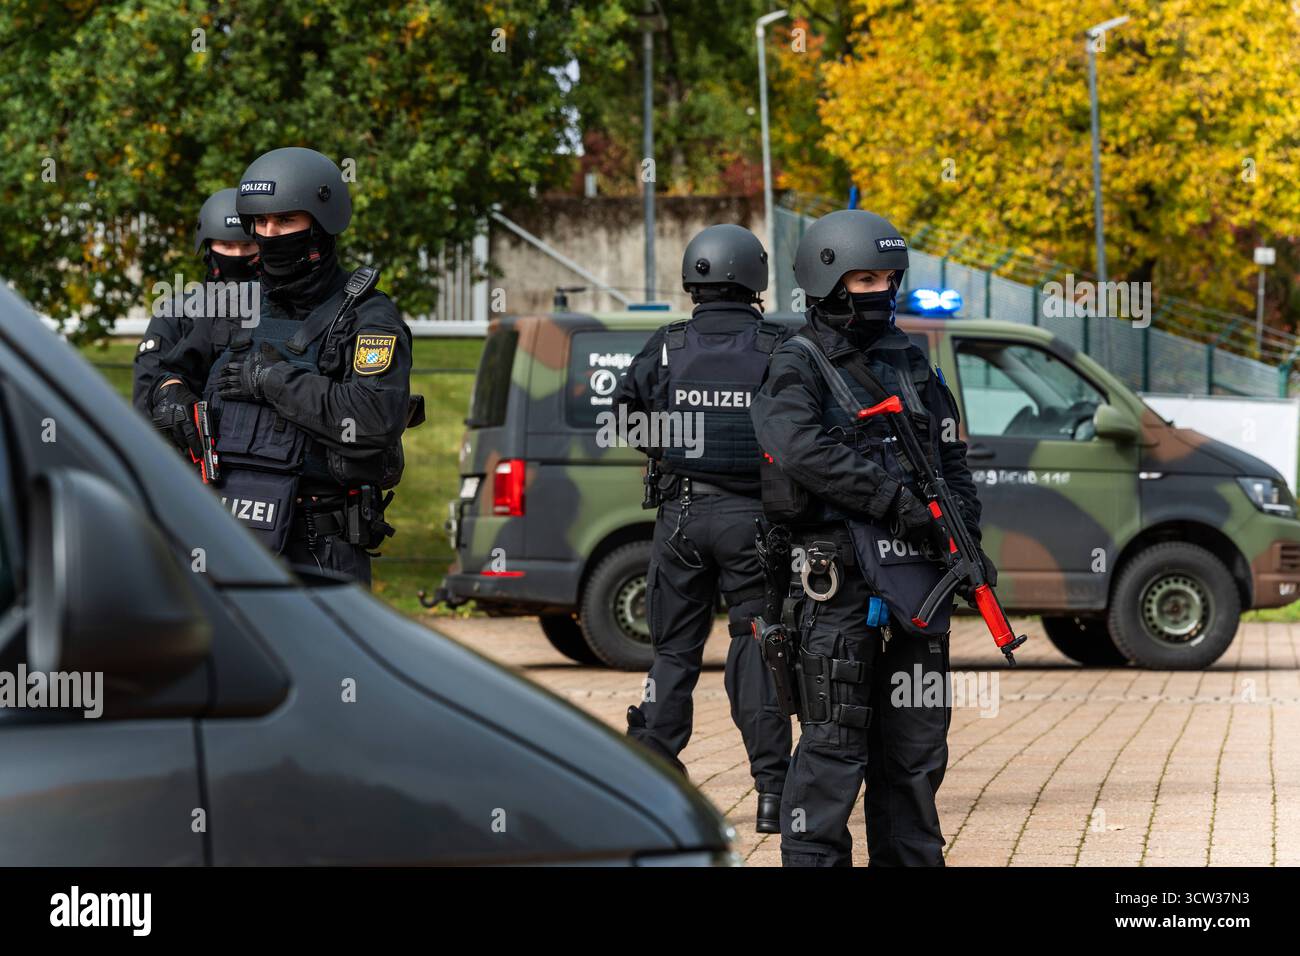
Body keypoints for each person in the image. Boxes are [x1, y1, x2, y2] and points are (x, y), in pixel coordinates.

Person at [750, 208, 990, 866]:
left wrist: (963, 531)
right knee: (832, 752)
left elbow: (950, 457)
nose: (881, 290)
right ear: (826, 282)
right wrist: (891, 501)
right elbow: (797, 448)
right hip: (836, 589)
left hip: (917, 583)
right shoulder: (794, 363)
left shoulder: (910, 360)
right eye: (864, 279)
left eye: (889, 277)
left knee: (915, 757)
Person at [149, 147, 417, 586]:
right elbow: (166, 375)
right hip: (223, 534)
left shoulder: (367, 318)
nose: (269, 234)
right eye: (261, 222)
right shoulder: (233, 302)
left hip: (318, 544)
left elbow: (372, 418)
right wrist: (172, 395)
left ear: (322, 223)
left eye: (286, 221)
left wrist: (273, 380)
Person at [614, 224, 793, 833]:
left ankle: (654, 774)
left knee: (673, 651)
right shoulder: (778, 345)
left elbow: (622, 423)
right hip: (754, 523)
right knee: (757, 642)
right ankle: (773, 793)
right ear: (755, 277)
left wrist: (674, 447)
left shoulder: (666, 345)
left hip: (680, 521)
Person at [133, 187, 258, 416]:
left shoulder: (281, 309)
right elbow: (147, 396)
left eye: (247, 246)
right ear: (209, 248)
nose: (238, 255)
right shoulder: (178, 312)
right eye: (227, 246)